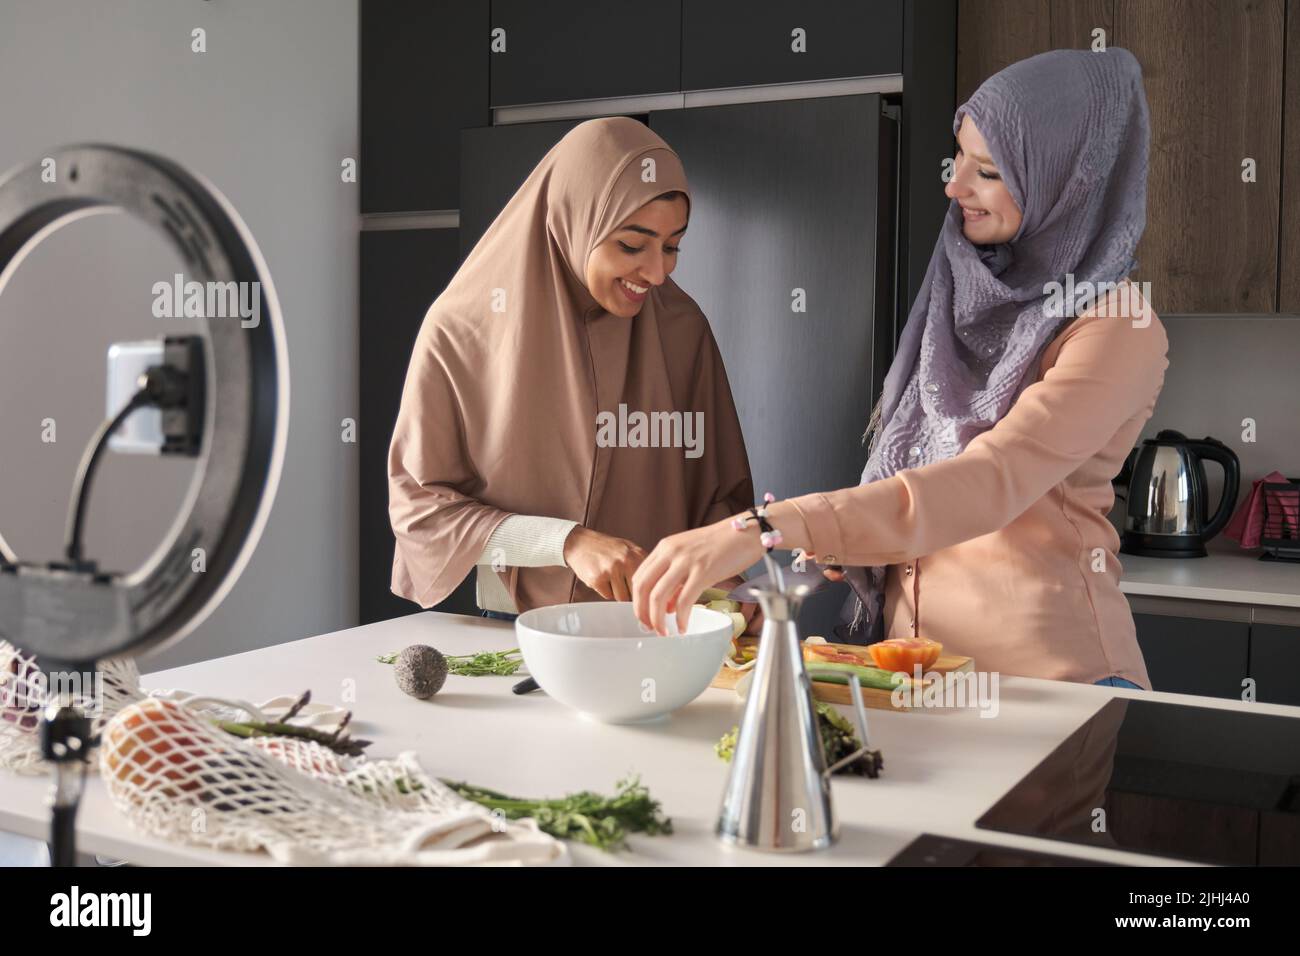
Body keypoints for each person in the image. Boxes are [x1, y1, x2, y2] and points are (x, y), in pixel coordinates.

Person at [631, 49, 1165, 690]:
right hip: (917, 674)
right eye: (958, 156)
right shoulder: (964, 296)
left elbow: (990, 480)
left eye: (989, 171)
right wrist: (829, 546)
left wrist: (770, 526)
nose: (954, 185)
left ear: (1069, 180)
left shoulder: (1115, 324)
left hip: (1053, 684)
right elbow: (917, 485)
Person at [388, 117, 755, 623]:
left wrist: (729, 583)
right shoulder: (460, 330)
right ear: (571, 219)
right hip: (516, 632)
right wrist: (566, 543)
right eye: (632, 244)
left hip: (657, 627)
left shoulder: (682, 328)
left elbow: (717, 497)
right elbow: (422, 511)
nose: (657, 272)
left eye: (672, 247)